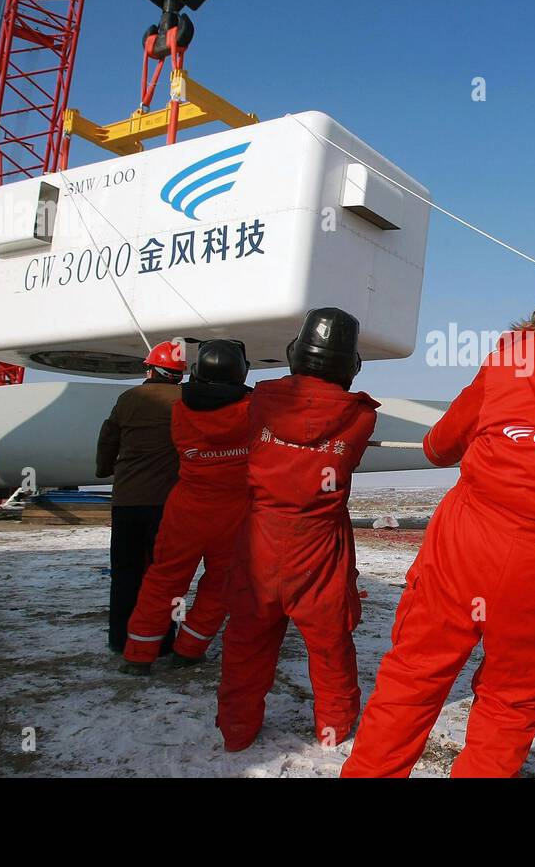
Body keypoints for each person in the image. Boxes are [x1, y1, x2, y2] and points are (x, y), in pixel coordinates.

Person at [342, 248, 535, 778]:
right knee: (513, 695)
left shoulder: (513, 356)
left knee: (416, 675)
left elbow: (443, 445)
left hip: (469, 536)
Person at [216, 308, 379, 751]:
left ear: (295, 354)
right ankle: (335, 725)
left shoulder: (261, 402)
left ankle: (236, 730)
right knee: (329, 643)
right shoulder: (361, 416)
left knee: (247, 639)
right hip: (320, 546)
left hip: (260, 541)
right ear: (351, 364)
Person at [121, 339, 253, 674]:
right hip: (235, 513)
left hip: (187, 509)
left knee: (163, 580)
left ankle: (139, 654)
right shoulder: (253, 409)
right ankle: (190, 649)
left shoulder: (181, 409)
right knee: (220, 584)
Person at [96, 341, 185, 654]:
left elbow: (108, 440)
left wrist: (103, 470)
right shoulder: (187, 401)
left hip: (127, 502)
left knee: (124, 573)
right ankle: (163, 641)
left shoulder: (128, 399)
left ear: (150, 368)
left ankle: (120, 638)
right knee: (163, 575)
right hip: (168, 505)